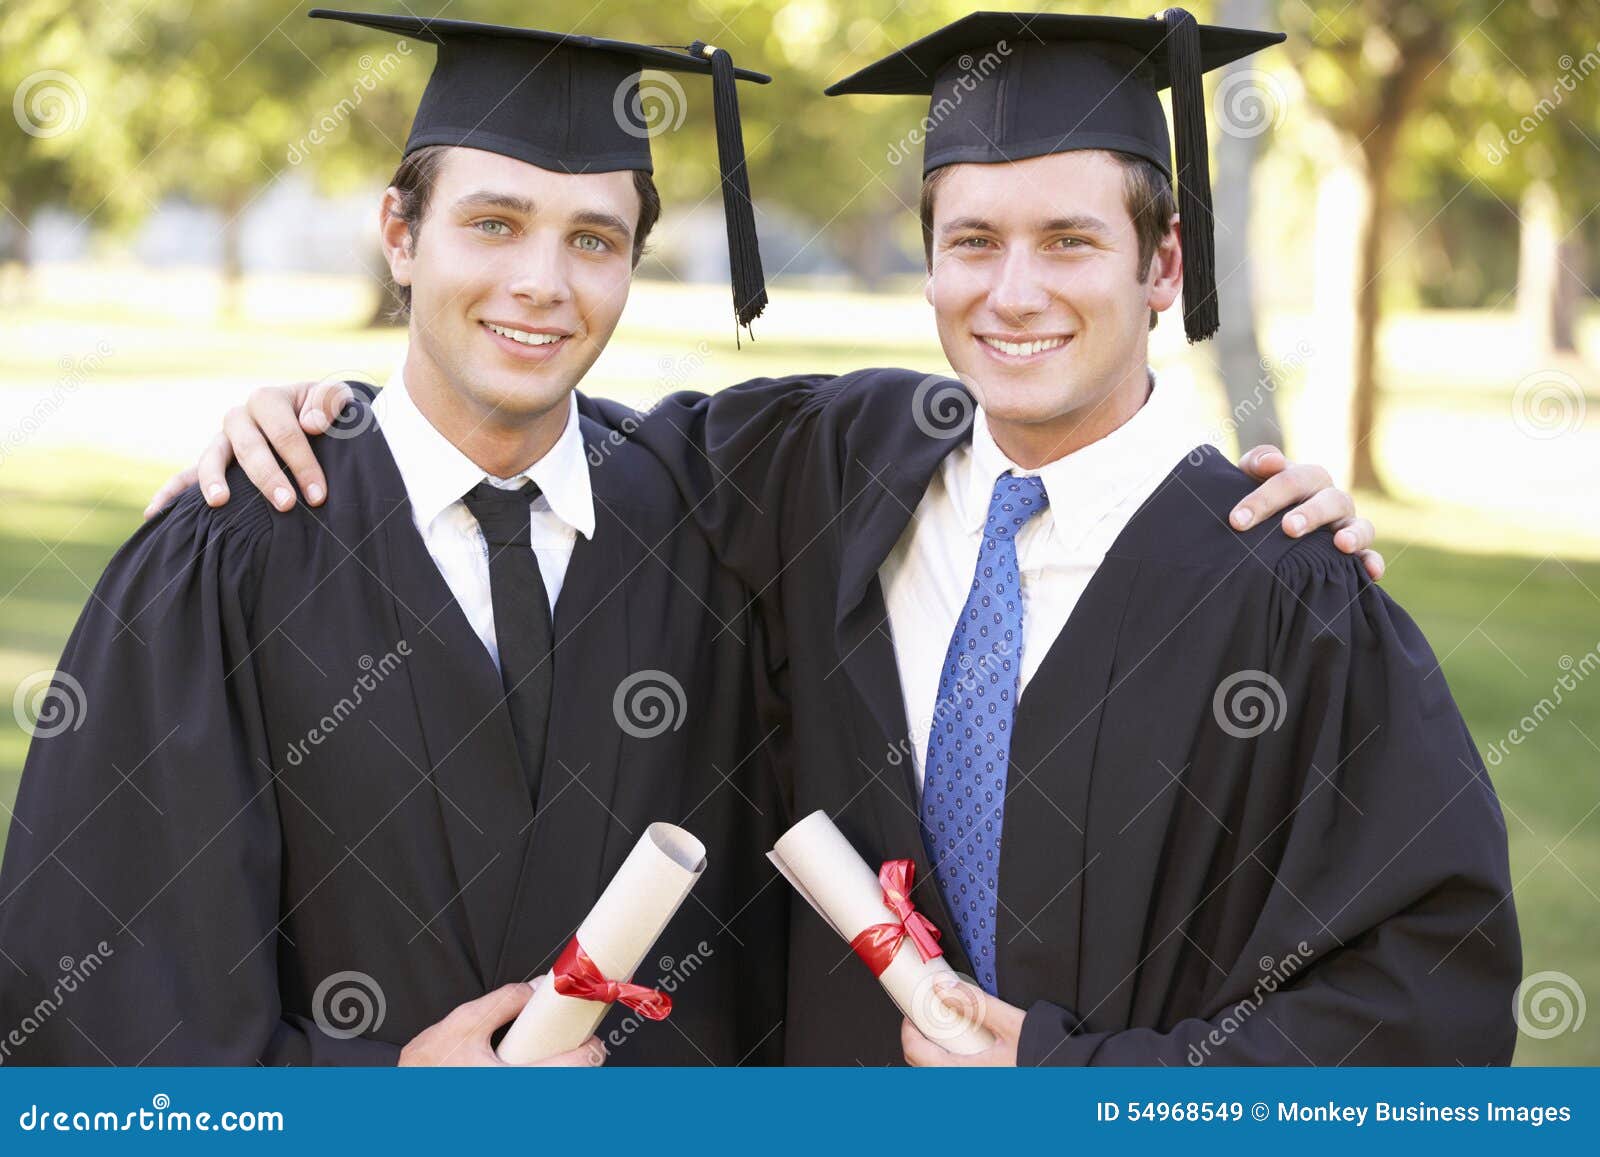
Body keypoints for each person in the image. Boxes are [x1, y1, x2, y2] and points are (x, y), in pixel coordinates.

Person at [144, 11, 1421, 1067]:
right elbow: (513, 435)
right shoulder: (834, 474)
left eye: (1070, 241)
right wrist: (322, 422)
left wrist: (1066, 1078)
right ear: (927, 264)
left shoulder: (1289, 591)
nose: (1012, 292)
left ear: (1162, 265)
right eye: (970, 241)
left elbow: (1407, 1014)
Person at [0, 11, 787, 1067]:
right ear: (400, 235)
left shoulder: (712, 533)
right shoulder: (229, 556)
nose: (543, 283)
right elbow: (108, 1010)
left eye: (593, 239)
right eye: (494, 224)